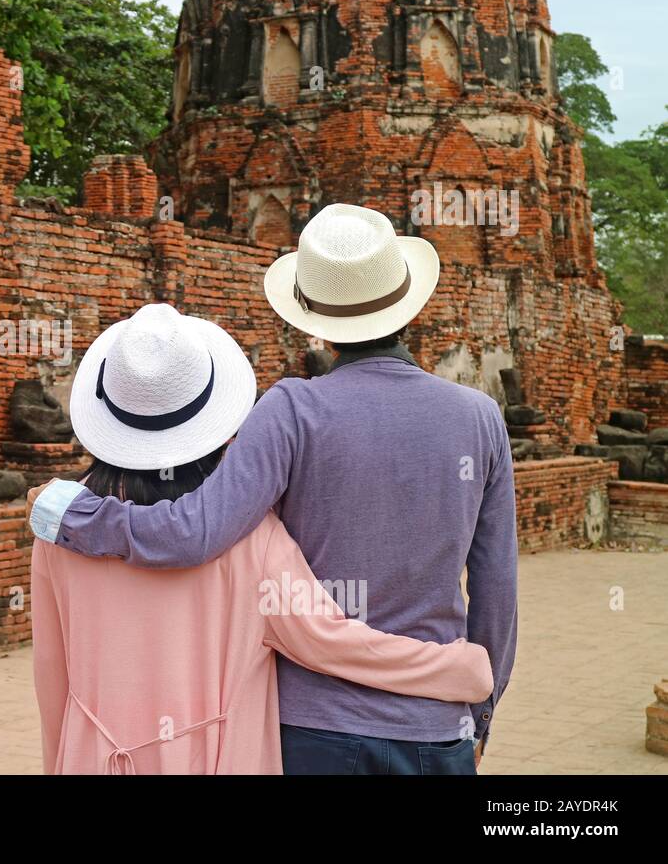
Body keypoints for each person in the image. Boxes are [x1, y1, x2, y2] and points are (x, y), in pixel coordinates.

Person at [30, 204, 518, 775]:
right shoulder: (480, 418)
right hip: (436, 726)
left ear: (311, 317)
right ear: (411, 305)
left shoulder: (291, 410)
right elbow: (497, 586)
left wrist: (78, 517)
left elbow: (197, 531)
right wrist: (479, 709)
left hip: (315, 728)